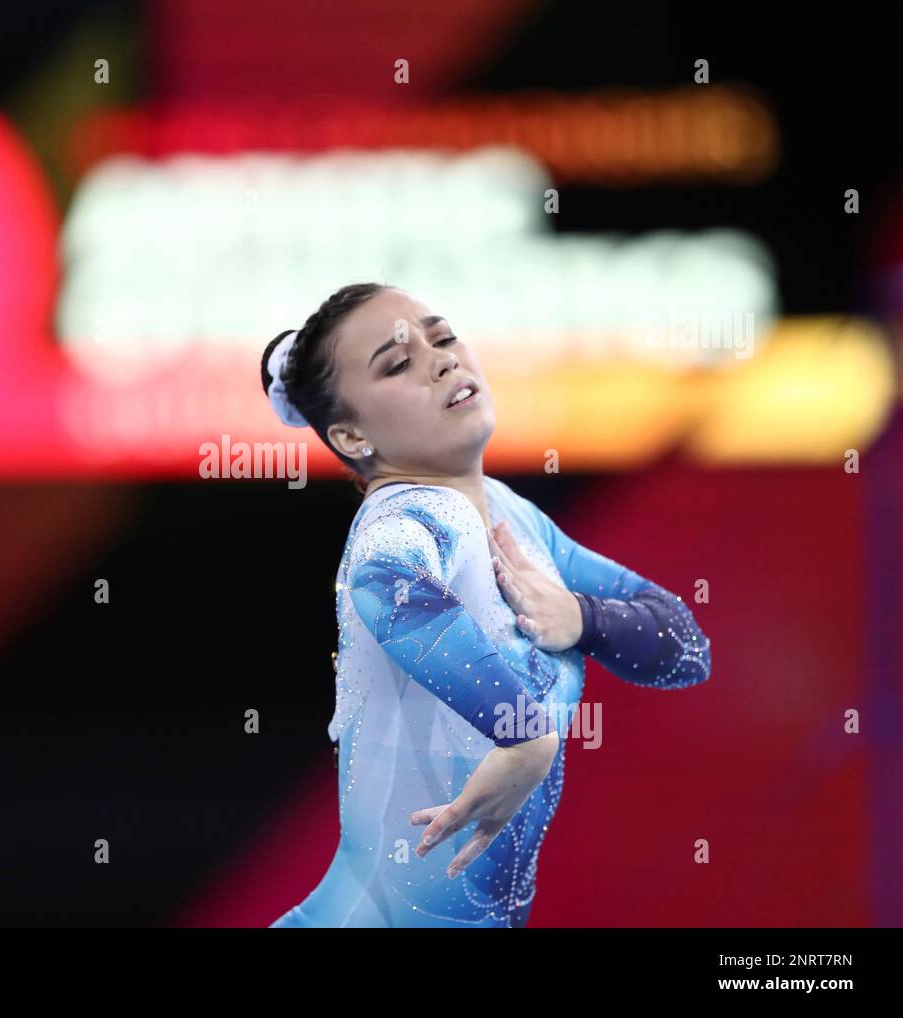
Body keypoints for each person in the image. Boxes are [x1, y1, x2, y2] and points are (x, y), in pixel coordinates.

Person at [261, 282, 712, 927]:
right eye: (397, 364)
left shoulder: (512, 516)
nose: (442, 360)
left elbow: (686, 648)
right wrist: (524, 733)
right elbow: (387, 585)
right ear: (351, 435)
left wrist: (583, 617)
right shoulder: (408, 515)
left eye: (442, 338)